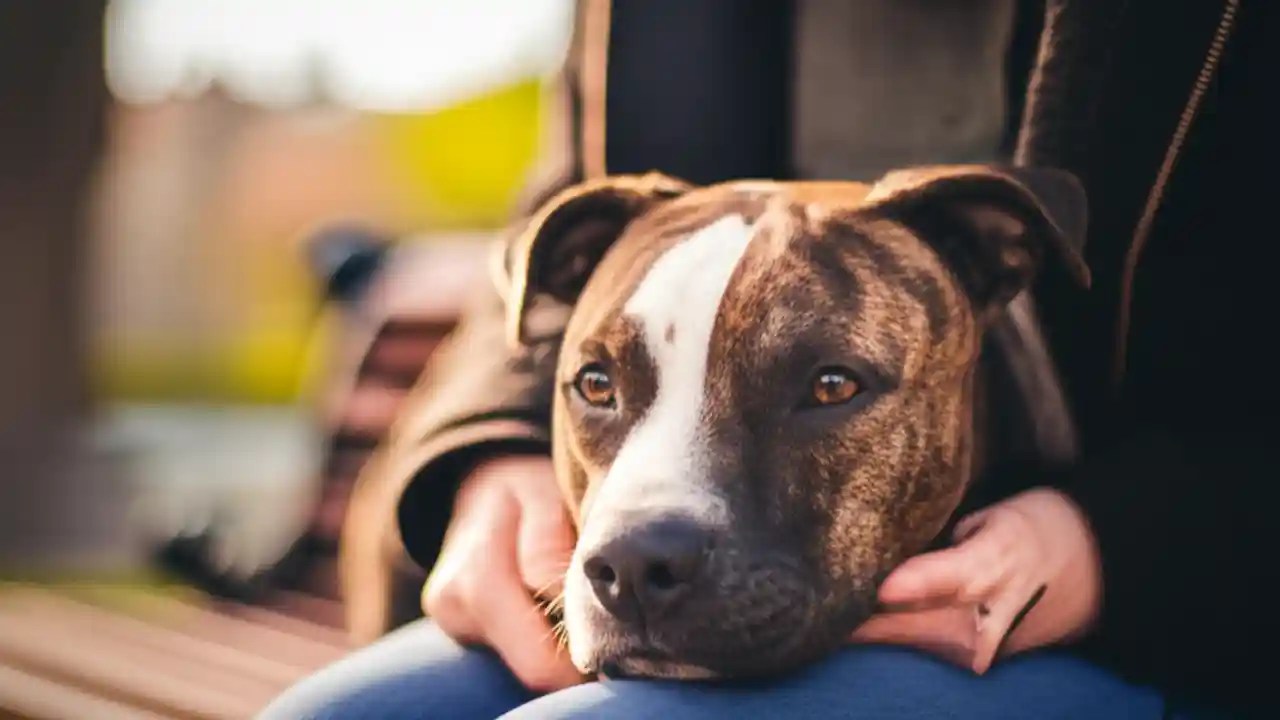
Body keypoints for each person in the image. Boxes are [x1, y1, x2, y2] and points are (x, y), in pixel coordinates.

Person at [263, 0, 1277, 717]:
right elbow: (546, 264)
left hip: (1160, 623)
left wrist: (1124, 548)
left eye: (829, 385)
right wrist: (491, 451)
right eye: (602, 393)